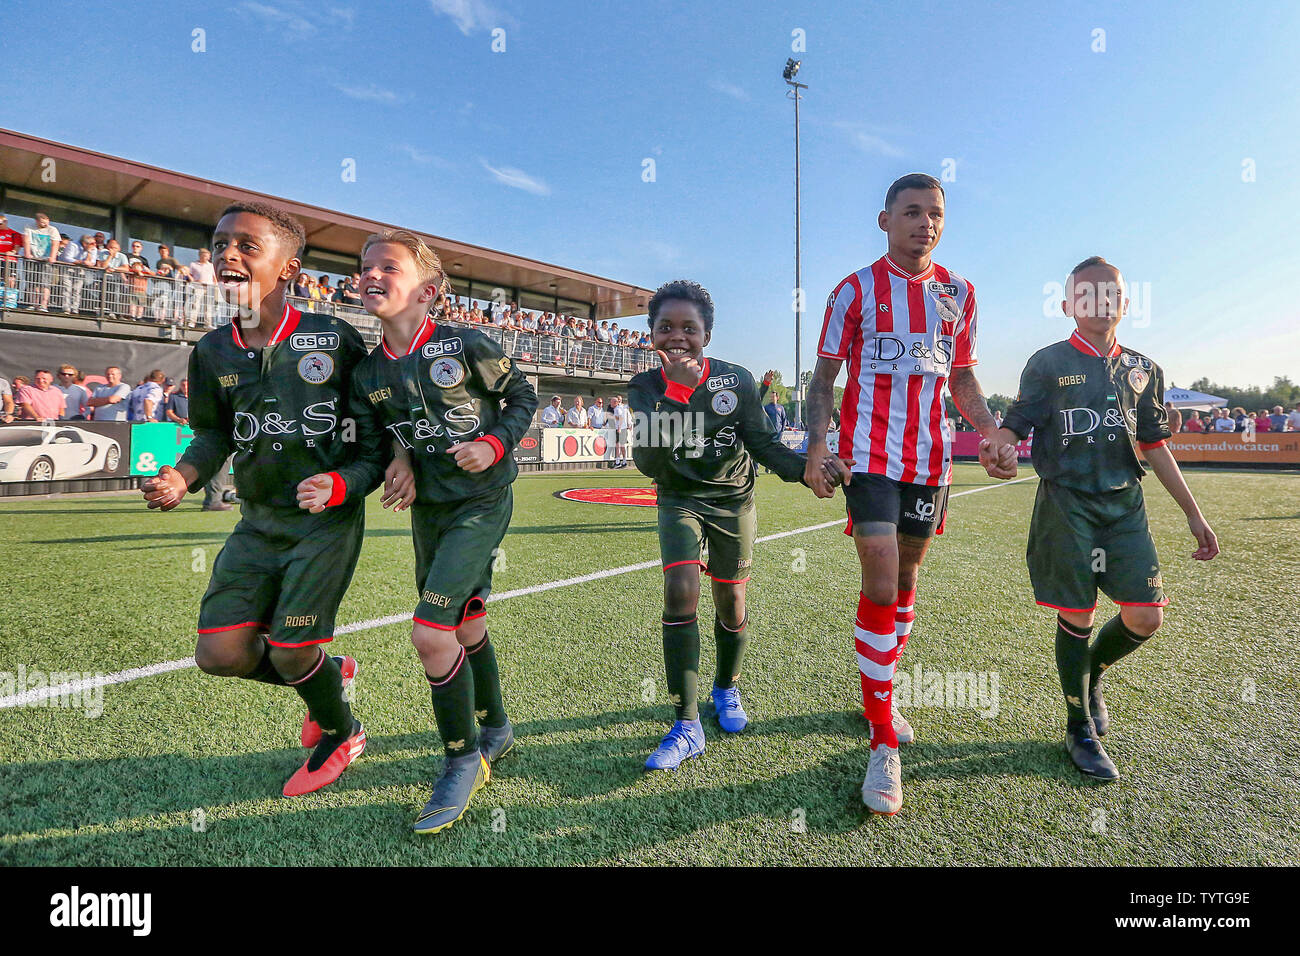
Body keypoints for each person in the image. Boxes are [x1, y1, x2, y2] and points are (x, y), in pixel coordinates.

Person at [141, 201, 391, 797]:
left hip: (325, 519)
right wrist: (183, 476)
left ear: (289, 269)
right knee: (220, 653)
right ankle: (330, 677)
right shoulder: (211, 351)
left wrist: (344, 484)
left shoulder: (334, 338)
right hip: (257, 523)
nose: (229, 253)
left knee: (288, 649)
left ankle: (341, 731)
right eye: (222, 241)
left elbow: (377, 432)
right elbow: (214, 432)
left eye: (248, 246)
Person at [804, 173, 1013, 816]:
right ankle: (884, 737)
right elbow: (822, 382)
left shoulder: (959, 293)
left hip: (930, 462)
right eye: (912, 212)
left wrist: (989, 430)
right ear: (884, 219)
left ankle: (880, 696)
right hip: (868, 459)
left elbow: (965, 377)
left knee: (907, 584)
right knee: (882, 581)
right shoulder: (855, 290)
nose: (925, 223)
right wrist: (818, 447)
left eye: (935, 214)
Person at [314, 228, 536, 833]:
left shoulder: (466, 343)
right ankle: (496, 729)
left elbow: (521, 396)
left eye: (390, 266)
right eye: (365, 267)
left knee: (430, 633)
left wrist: (494, 443)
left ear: (428, 292)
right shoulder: (366, 373)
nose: (372, 275)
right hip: (429, 508)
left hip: (482, 501)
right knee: (466, 622)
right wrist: (401, 459)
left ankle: (462, 760)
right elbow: (383, 429)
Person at [986, 256, 1218, 780]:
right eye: (1085, 294)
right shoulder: (1047, 362)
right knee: (1078, 614)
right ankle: (1078, 729)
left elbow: (1155, 446)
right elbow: (1018, 422)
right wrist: (996, 446)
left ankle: (1092, 678)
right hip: (1067, 505)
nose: (1099, 301)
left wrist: (1193, 515)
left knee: (1146, 615)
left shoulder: (1144, 370)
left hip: (1124, 506)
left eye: (1110, 292)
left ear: (1125, 302)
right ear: (1068, 304)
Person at [629, 279, 851, 771]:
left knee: (731, 600)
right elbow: (647, 462)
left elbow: (764, 444)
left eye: (689, 328)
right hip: (679, 498)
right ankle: (686, 724)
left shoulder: (736, 380)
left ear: (707, 335)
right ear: (651, 333)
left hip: (732, 500)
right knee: (680, 589)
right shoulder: (644, 387)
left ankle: (725, 689)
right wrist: (678, 394)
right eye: (665, 327)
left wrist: (807, 469)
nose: (677, 337)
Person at [23, 212, 61, 312]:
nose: (45, 224)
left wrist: (52, 257)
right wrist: (27, 253)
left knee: (45, 283)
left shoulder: (53, 230)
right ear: (37, 221)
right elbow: (26, 240)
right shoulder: (29, 227)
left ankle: (43, 305)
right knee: (32, 282)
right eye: (43, 223)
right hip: (33, 258)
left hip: (46, 260)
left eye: (47, 222)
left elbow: (55, 244)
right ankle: (33, 304)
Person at [609, 394, 632, 467]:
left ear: (615, 402)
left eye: (612, 402)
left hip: (621, 429)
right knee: (621, 445)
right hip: (622, 428)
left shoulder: (617, 409)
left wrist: (619, 427)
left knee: (618, 445)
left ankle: (618, 461)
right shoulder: (619, 408)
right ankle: (623, 461)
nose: (610, 403)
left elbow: (621, 418)